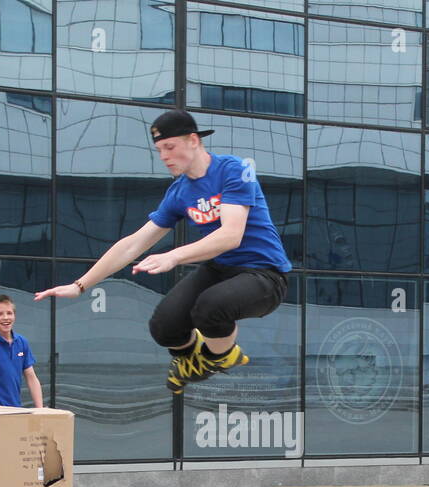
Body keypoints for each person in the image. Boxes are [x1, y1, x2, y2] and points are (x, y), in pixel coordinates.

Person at [33, 109, 291, 394]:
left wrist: (174, 256)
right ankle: (191, 359)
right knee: (164, 326)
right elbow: (133, 243)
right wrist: (79, 285)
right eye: (159, 150)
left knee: (209, 307)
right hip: (220, 270)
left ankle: (221, 356)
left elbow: (231, 235)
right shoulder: (179, 192)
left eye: (170, 147)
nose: (164, 156)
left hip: (264, 276)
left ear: (193, 140)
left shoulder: (234, 170)